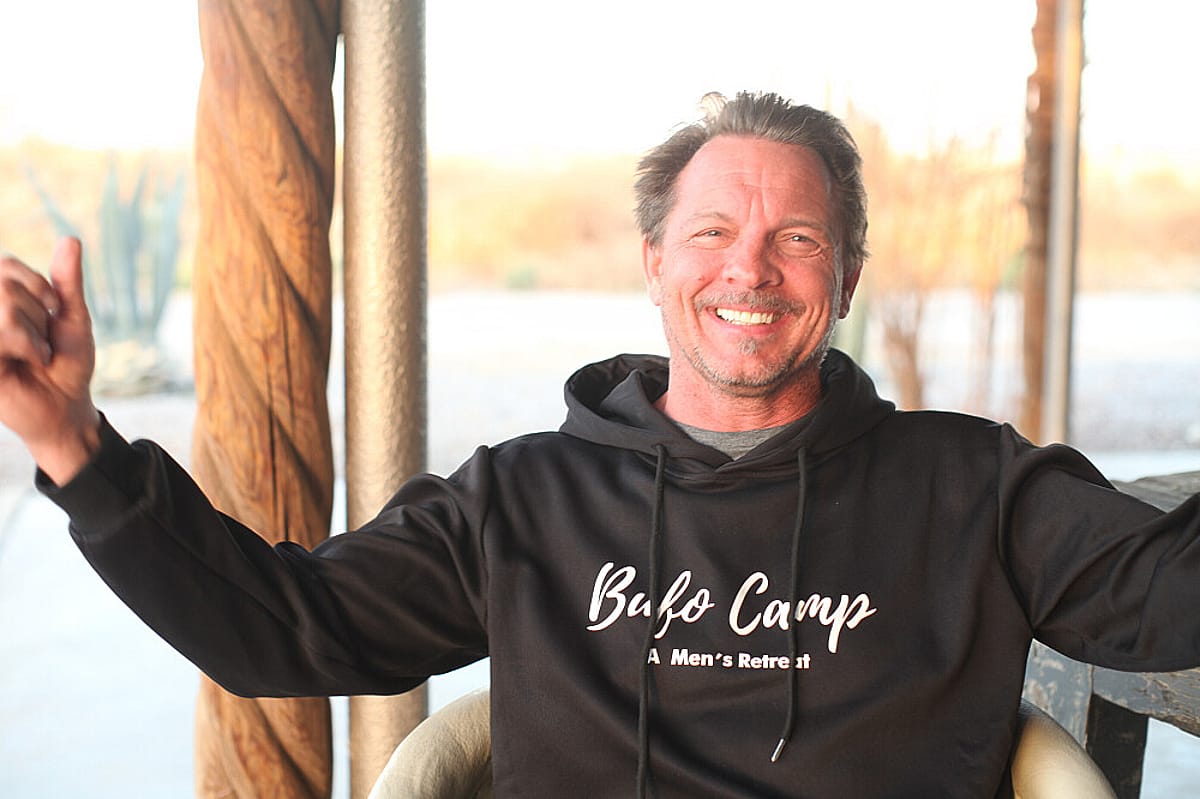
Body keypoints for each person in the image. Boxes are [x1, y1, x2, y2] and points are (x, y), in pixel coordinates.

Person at [1, 91, 1197, 798]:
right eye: (715, 230)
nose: (749, 268)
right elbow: (277, 629)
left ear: (844, 279)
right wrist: (73, 444)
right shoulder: (523, 500)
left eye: (795, 238)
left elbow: (1177, 602)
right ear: (655, 262)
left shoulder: (976, 487)